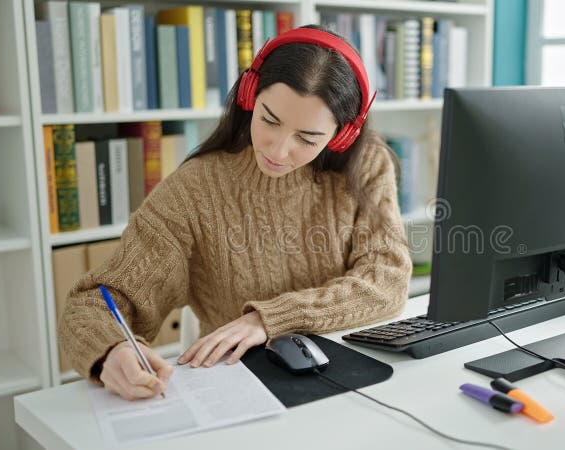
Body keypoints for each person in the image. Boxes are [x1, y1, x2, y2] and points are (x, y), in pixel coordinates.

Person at [58, 25, 413, 401]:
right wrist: (113, 351)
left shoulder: (366, 163)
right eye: (269, 121)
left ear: (341, 136)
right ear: (249, 97)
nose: (278, 151)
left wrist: (269, 319)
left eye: (307, 139)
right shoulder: (196, 188)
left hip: (350, 382)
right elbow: (90, 305)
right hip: (241, 389)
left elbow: (388, 280)